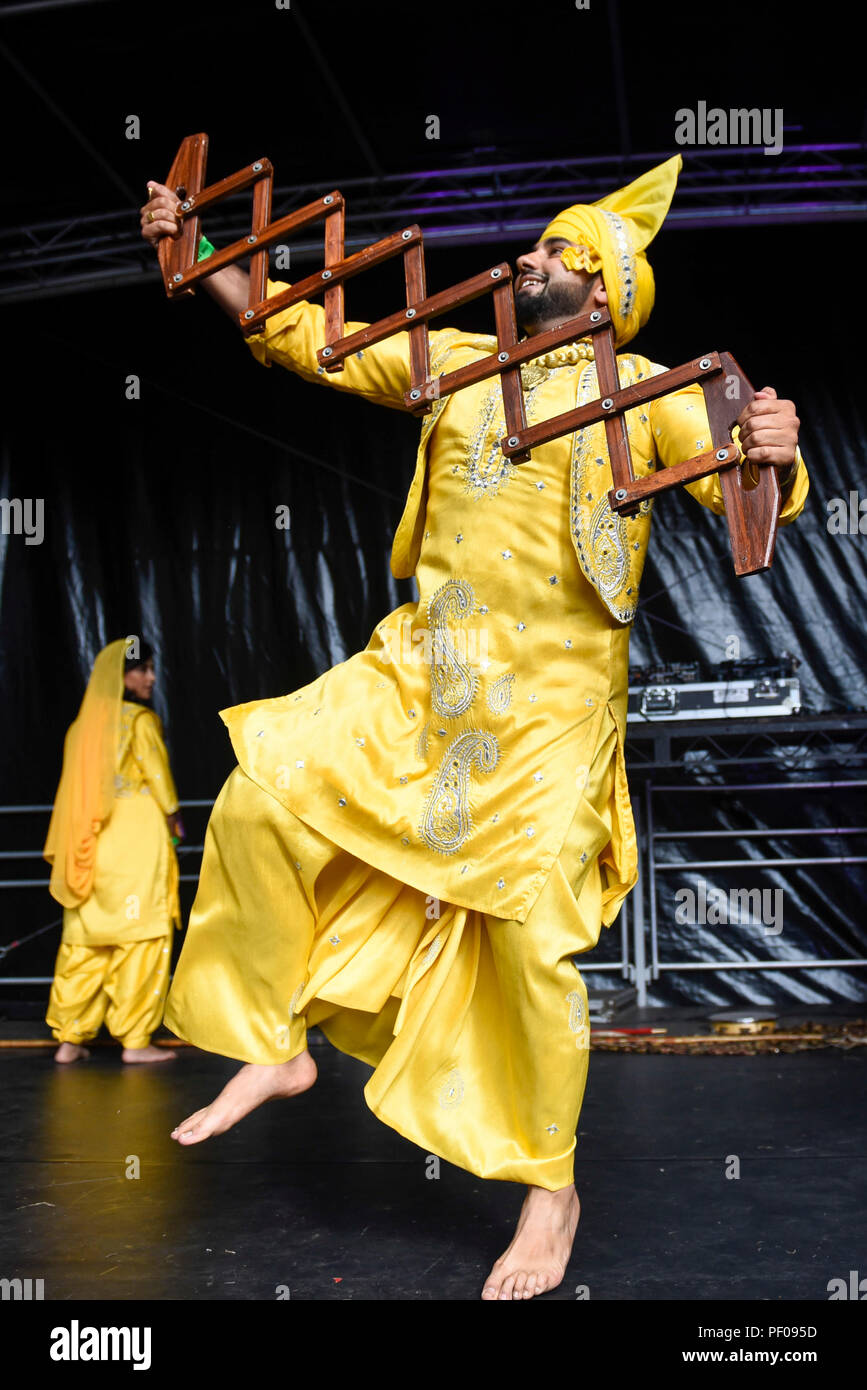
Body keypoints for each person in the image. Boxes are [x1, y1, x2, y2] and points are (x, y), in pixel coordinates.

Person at [141, 155, 807, 1298]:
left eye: (558, 250)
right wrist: (194, 252)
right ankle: (276, 1041)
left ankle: (551, 1193)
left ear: (602, 289)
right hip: (425, 679)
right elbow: (302, 331)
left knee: (532, 944)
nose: (530, 257)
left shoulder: (645, 392)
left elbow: (743, 467)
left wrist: (777, 452)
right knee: (260, 794)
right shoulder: (459, 364)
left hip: (551, 712)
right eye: (540, 244)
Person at [44, 638, 184, 1064]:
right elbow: (158, 778)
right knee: (140, 935)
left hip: (90, 842)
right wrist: (174, 817)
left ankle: (70, 1040)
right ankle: (135, 1042)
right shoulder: (139, 721)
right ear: (122, 676)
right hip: (137, 838)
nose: (151, 677)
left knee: (86, 940)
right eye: (143, 670)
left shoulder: (80, 727)